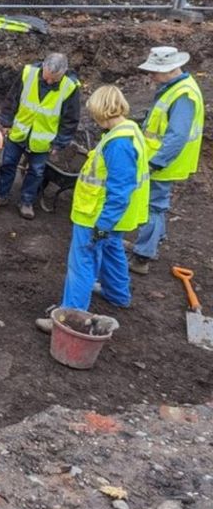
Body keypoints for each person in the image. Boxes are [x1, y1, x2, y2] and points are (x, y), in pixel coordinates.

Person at [36, 86, 150, 333]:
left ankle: (68, 318)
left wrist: (103, 225)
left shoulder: (119, 144)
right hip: (117, 216)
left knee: (81, 265)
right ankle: (118, 294)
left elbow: (119, 189)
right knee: (111, 249)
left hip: (96, 216)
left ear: (102, 110)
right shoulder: (129, 130)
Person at [129, 46, 205, 275]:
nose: (150, 76)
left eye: (154, 72)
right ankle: (151, 244)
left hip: (164, 162)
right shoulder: (175, 88)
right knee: (156, 205)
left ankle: (143, 255)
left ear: (170, 69)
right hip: (162, 159)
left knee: (152, 206)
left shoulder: (183, 96)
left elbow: (177, 136)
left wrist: (155, 162)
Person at [0, 53, 81, 220]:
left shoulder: (70, 87)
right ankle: (0, 196)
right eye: (47, 77)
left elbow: (70, 119)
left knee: (36, 172)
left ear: (63, 73)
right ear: (43, 67)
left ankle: (26, 202)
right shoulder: (28, 73)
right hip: (19, 131)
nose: (49, 82)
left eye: (54, 80)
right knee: (7, 164)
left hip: (43, 139)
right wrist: (6, 122)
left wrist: (59, 144)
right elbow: (12, 99)